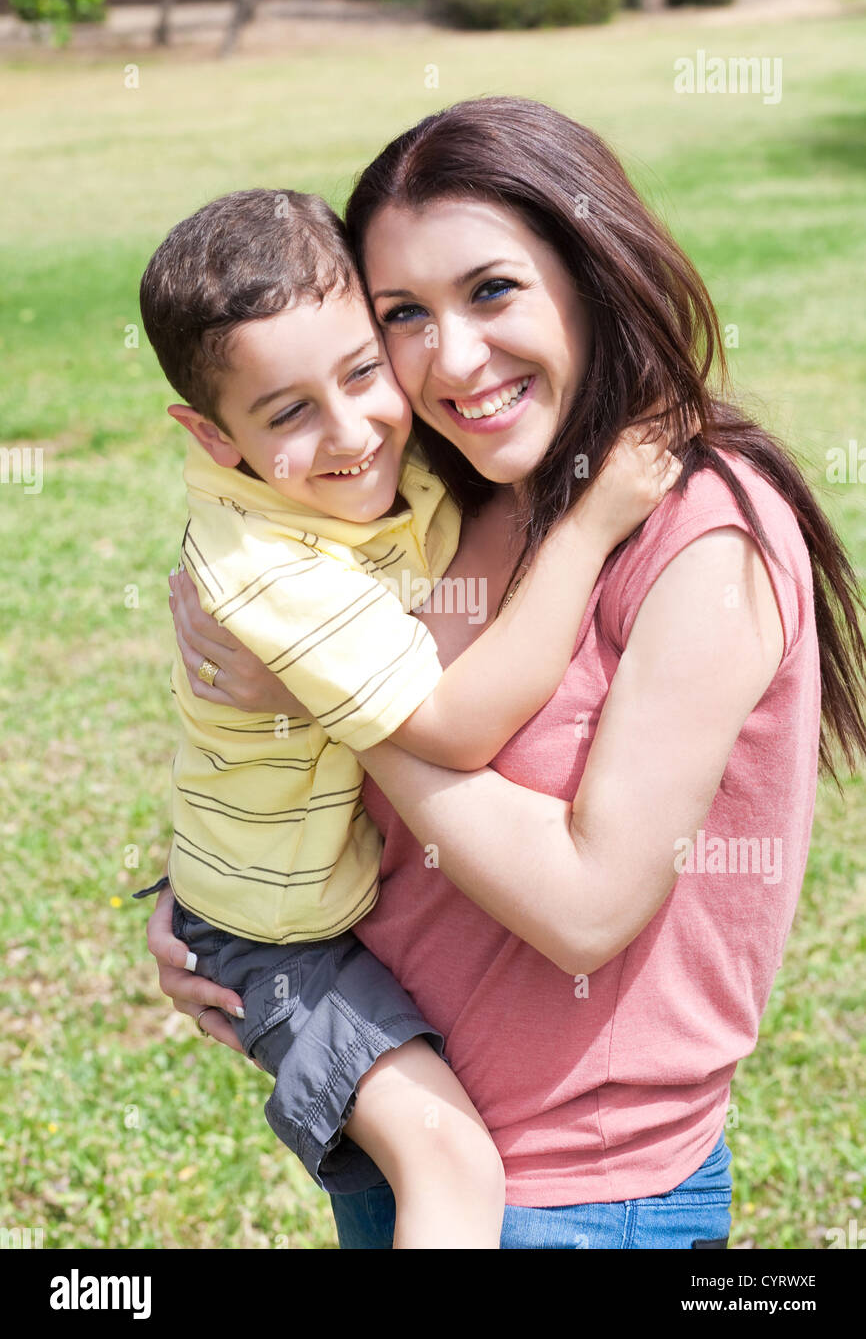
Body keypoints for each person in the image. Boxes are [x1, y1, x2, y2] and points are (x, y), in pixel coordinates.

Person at [148, 97, 866, 1250]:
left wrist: (325, 701)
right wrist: (205, 902)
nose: (454, 357)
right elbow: (285, 757)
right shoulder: (440, 501)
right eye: (403, 316)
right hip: (398, 1145)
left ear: (585, 271)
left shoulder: (699, 528)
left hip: (584, 1198)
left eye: (490, 290)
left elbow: (585, 908)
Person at [136, 185, 680, 1250]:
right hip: (273, 938)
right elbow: (452, 725)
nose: (354, 431)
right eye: (287, 413)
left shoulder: (376, 475)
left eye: (362, 370)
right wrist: (590, 526)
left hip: (290, 895)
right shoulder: (271, 569)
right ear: (210, 435)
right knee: (450, 1163)